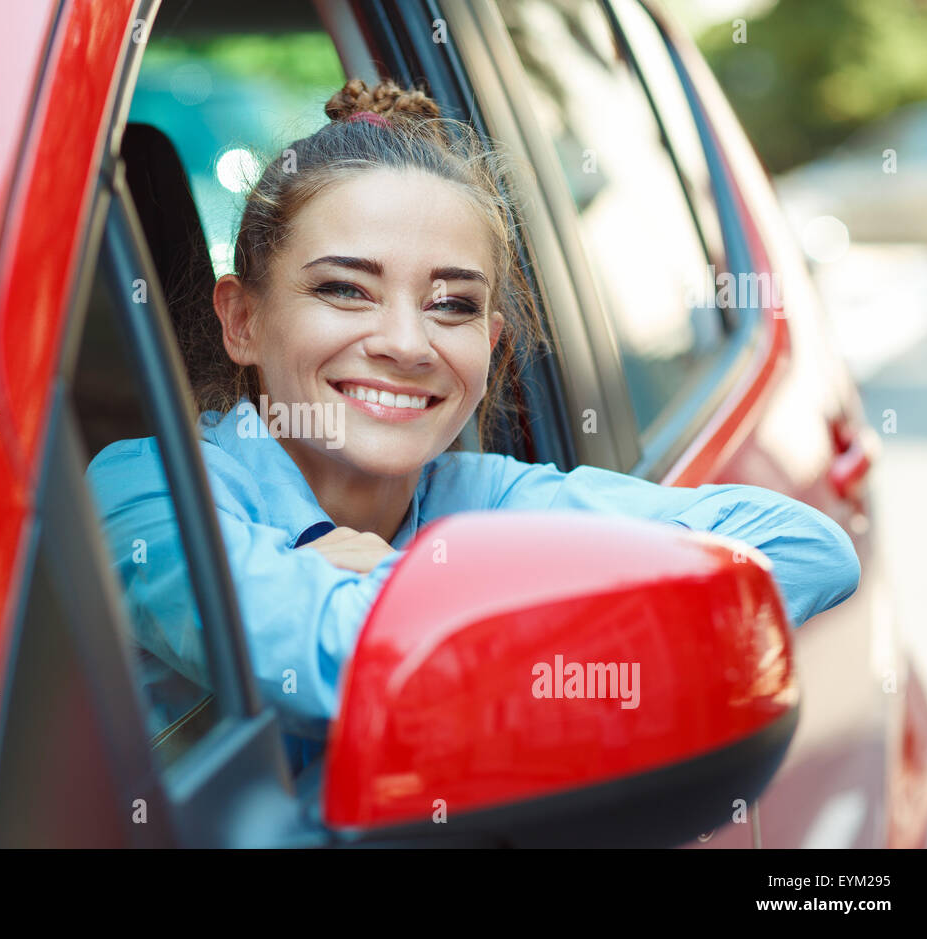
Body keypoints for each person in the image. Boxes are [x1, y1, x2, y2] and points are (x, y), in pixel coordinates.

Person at [87, 78, 860, 773]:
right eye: (346, 290)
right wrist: (565, 615)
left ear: (488, 347)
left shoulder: (482, 497)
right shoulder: (142, 491)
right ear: (244, 319)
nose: (405, 342)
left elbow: (808, 551)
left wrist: (433, 583)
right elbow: (342, 660)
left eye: (452, 304)